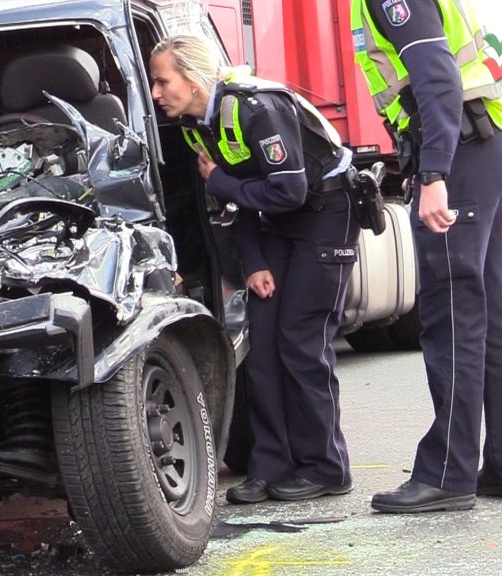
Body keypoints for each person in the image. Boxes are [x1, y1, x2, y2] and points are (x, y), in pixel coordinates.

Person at [149, 35, 360, 504]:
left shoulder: (256, 108)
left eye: (163, 81)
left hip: (323, 214)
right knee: (261, 347)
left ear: (192, 75)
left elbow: (289, 190)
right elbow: (236, 193)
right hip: (275, 223)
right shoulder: (195, 125)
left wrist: (220, 180)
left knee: (300, 342)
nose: (157, 92)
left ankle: (326, 468)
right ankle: (271, 467)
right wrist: (255, 262)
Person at [350, 0, 502, 513]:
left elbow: (436, 79)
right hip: (487, 139)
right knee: (494, 314)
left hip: (463, 149)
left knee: (452, 310)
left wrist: (433, 174)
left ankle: (447, 474)